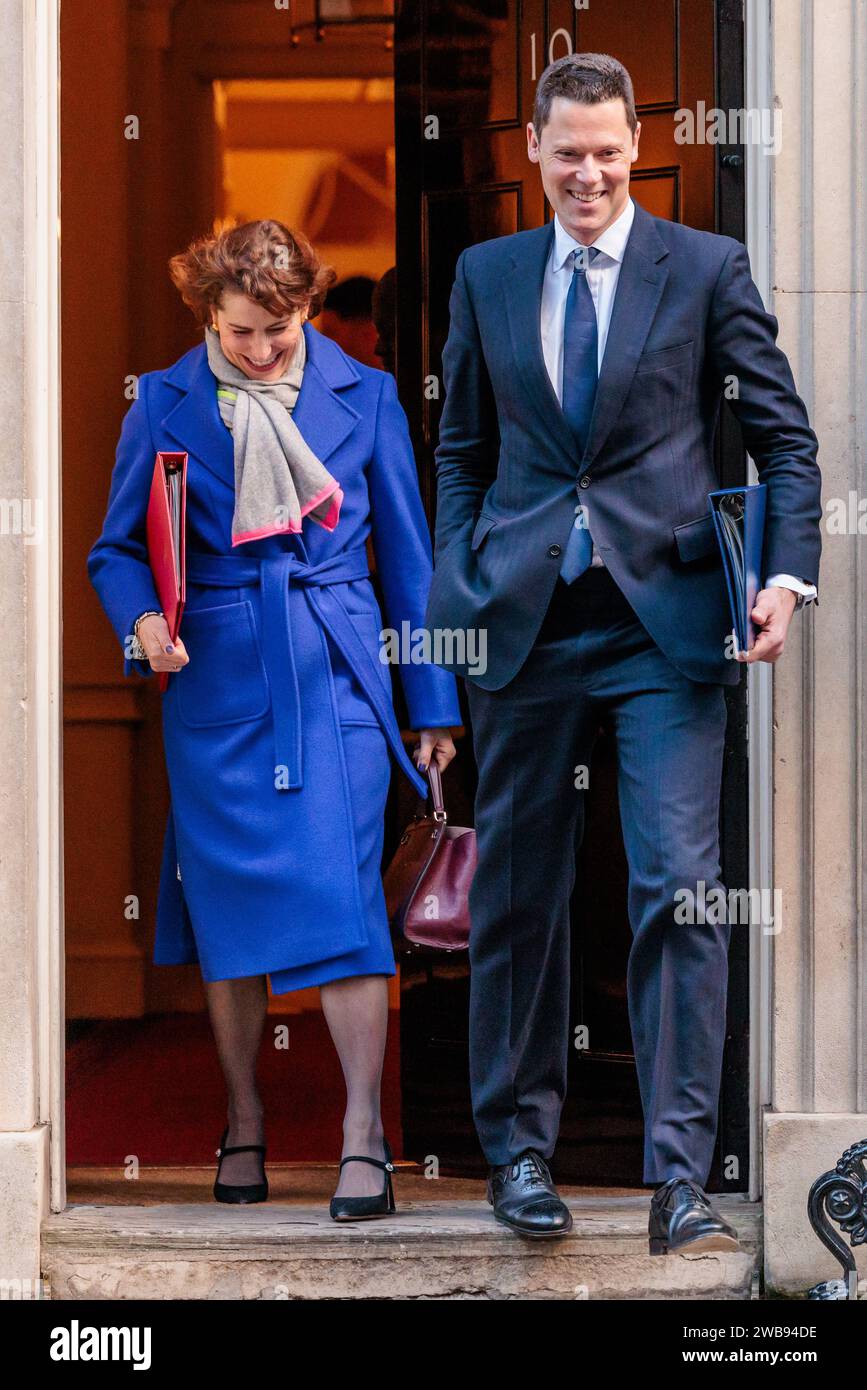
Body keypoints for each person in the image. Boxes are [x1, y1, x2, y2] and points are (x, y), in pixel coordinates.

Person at [425, 53, 821, 1253]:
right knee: (518, 897)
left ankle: (679, 1177)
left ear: (635, 144)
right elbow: (460, 450)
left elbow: (784, 439)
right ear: (532, 154)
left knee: (678, 889)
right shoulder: (486, 273)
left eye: (607, 150)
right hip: (525, 626)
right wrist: (461, 575)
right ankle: (521, 1157)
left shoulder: (703, 267)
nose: (588, 172)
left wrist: (786, 578)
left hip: (666, 626)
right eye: (566, 152)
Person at [88, 219, 459, 1220]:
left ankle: (362, 1136)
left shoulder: (367, 394)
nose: (261, 351)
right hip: (212, 686)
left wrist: (431, 703)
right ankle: (244, 1115)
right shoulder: (163, 402)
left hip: (336, 678)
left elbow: (412, 568)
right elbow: (116, 548)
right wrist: (143, 623)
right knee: (233, 912)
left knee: (343, 898)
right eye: (243, 331)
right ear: (208, 313)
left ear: (307, 311)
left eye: (281, 333)